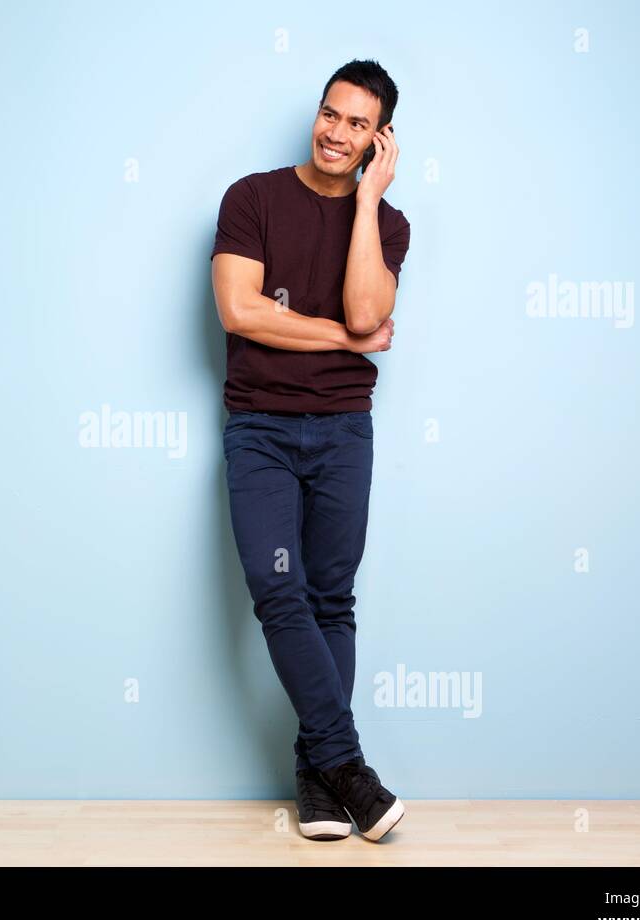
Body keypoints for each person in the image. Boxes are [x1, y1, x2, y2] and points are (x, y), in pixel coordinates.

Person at [210, 59, 409, 842]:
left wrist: (367, 200)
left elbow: (368, 306)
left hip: (342, 430)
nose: (337, 132)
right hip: (259, 425)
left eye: (358, 124)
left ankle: (316, 779)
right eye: (332, 114)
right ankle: (350, 766)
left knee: (332, 599)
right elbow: (238, 311)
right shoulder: (252, 197)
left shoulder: (388, 224)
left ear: (378, 140)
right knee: (277, 589)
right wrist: (338, 336)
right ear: (318, 113)